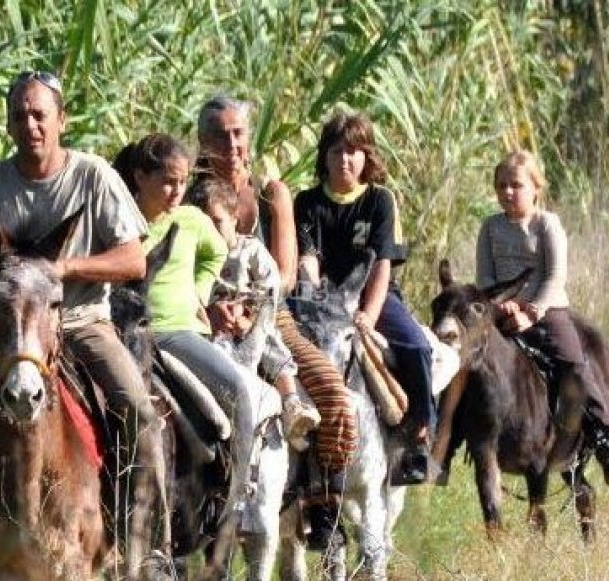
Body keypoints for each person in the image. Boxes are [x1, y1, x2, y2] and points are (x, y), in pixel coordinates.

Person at [0, 71, 165, 577]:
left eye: (39, 115)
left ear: (61, 120)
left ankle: (144, 549)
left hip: (80, 320)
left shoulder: (93, 176)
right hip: (8, 330)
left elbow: (133, 260)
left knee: (139, 413)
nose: (30, 124)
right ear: (8, 125)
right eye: (20, 116)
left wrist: (63, 270)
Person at [187, 95, 358, 546]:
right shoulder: (188, 193)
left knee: (333, 394)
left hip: (269, 313)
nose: (231, 144)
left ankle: (321, 502)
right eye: (220, 136)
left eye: (238, 133)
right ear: (203, 142)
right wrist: (208, 309)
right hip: (202, 312)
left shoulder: (270, 193)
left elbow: (283, 273)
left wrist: (247, 308)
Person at [111, 133, 264, 560]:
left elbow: (216, 253)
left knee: (237, 391)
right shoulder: (119, 222)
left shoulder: (194, 220)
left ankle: (236, 502)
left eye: (181, 182)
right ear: (139, 177)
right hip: (130, 332)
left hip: (180, 333)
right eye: (167, 181)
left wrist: (199, 293)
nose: (177, 191)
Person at [475, 149, 609, 490]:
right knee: (469, 360)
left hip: (547, 311)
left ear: (536, 188)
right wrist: (502, 306)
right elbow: (485, 280)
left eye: (516, 185)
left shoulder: (547, 224)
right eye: (501, 185)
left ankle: (608, 442)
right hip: (503, 312)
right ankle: (444, 441)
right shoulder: (490, 228)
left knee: (574, 364)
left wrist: (530, 311)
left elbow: (554, 278)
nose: (508, 192)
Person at [294, 111, 436, 485]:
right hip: (323, 301)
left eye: (354, 151)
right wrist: (317, 304)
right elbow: (307, 261)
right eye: (337, 151)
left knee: (418, 347)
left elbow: (382, 265)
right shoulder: (306, 203)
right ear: (324, 156)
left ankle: (419, 436)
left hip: (375, 296)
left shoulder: (380, 201)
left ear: (367, 157)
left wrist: (368, 316)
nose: (346, 159)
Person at [196, 177, 321, 450]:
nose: (210, 232)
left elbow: (271, 284)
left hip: (253, 317)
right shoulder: (196, 253)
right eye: (203, 225)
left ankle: (291, 403)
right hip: (212, 323)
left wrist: (249, 316)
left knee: (272, 348)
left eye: (216, 223)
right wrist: (207, 311)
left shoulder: (249, 249)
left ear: (234, 218)